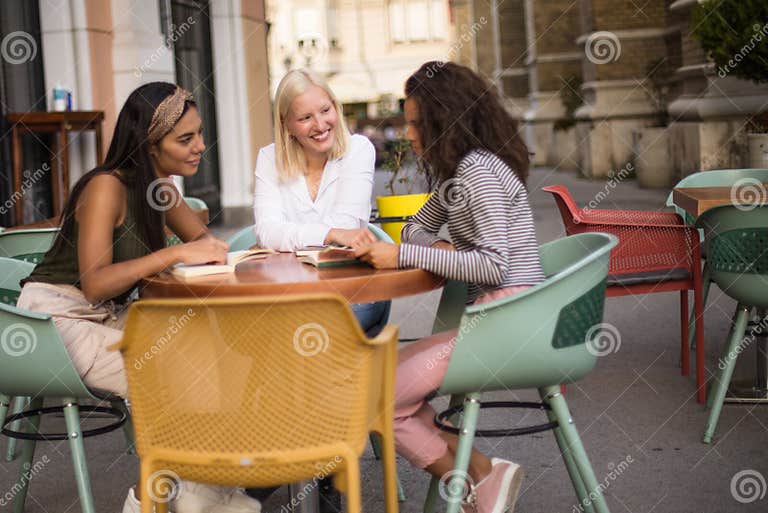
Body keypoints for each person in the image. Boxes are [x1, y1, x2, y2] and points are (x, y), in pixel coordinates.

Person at [16, 82, 262, 513]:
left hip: (106, 315)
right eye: (185, 139)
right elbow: (95, 282)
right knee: (175, 375)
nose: (200, 146)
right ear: (149, 144)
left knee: (222, 356)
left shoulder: (160, 189)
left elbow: (204, 242)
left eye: (200, 133)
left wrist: (197, 249)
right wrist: (175, 253)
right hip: (54, 321)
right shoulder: (106, 187)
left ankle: (204, 490)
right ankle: (157, 500)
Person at [354, 62, 546, 513]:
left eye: (418, 123)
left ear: (448, 118)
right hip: (498, 320)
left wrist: (405, 257)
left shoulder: (477, 171)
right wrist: (437, 246)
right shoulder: (457, 174)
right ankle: (480, 474)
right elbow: (415, 229)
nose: (410, 134)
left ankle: (479, 475)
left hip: (509, 324)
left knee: (374, 396)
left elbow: (494, 265)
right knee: (377, 394)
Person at [252, 68, 389, 338]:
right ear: (286, 124)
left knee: (301, 332)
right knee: (256, 329)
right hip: (290, 295)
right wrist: (329, 233)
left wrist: (291, 236)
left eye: (325, 110)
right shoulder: (269, 158)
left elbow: (347, 226)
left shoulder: (358, 149)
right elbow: (267, 232)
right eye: (305, 118)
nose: (320, 125)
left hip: (354, 293)